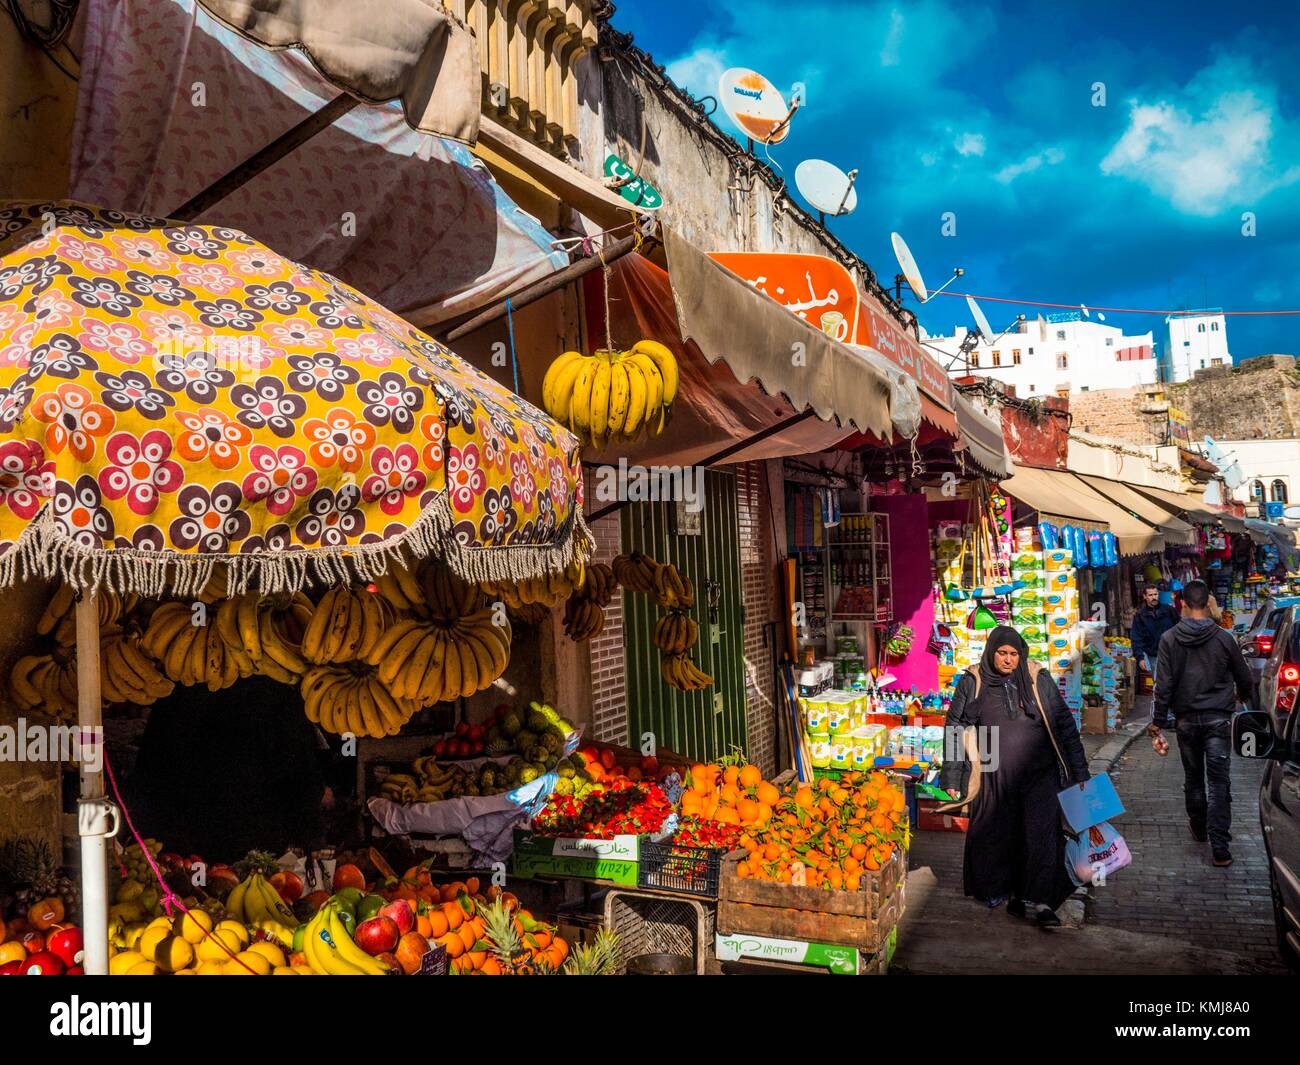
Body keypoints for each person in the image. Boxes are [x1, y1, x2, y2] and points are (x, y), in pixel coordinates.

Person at [938, 626, 1091, 928]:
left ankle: (1044, 902)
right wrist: (952, 778)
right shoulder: (974, 681)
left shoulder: (1037, 679)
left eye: (1014, 654)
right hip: (994, 775)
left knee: (1043, 836)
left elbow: (1064, 724)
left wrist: (1080, 770)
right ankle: (1011, 895)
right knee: (1000, 836)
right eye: (1002, 653)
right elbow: (955, 727)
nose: (1008, 660)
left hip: (1040, 774)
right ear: (991, 652)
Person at [123, 674, 328, 863]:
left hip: (187, 846)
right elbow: (301, 773)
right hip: (251, 844)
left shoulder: (179, 688)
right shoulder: (275, 692)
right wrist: (310, 834)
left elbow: (149, 776)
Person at [1148, 579, 1253, 867]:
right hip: (1218, 719)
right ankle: (1221, 846)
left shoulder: (1169, 639)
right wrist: (1243, 697)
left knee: (1193, 778)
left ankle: (1198, 825)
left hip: (1186, 722)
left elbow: (1164, 685)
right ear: (1208, 604)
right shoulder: (1224, 638)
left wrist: (1157, 721)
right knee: (1219, 782)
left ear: (1182, 605)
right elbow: (1244, 677)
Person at [1131, 584, 1179, 676]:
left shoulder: (1169, 610)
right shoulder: (1140, 615)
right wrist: (1140, 658)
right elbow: (1136, 638)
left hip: (1172, 654)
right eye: (1150, 595)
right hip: (1153, 656)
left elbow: (1180, 628)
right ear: (1145, 596)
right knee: (1158, 683)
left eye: (1155, 594)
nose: (1154, 597)